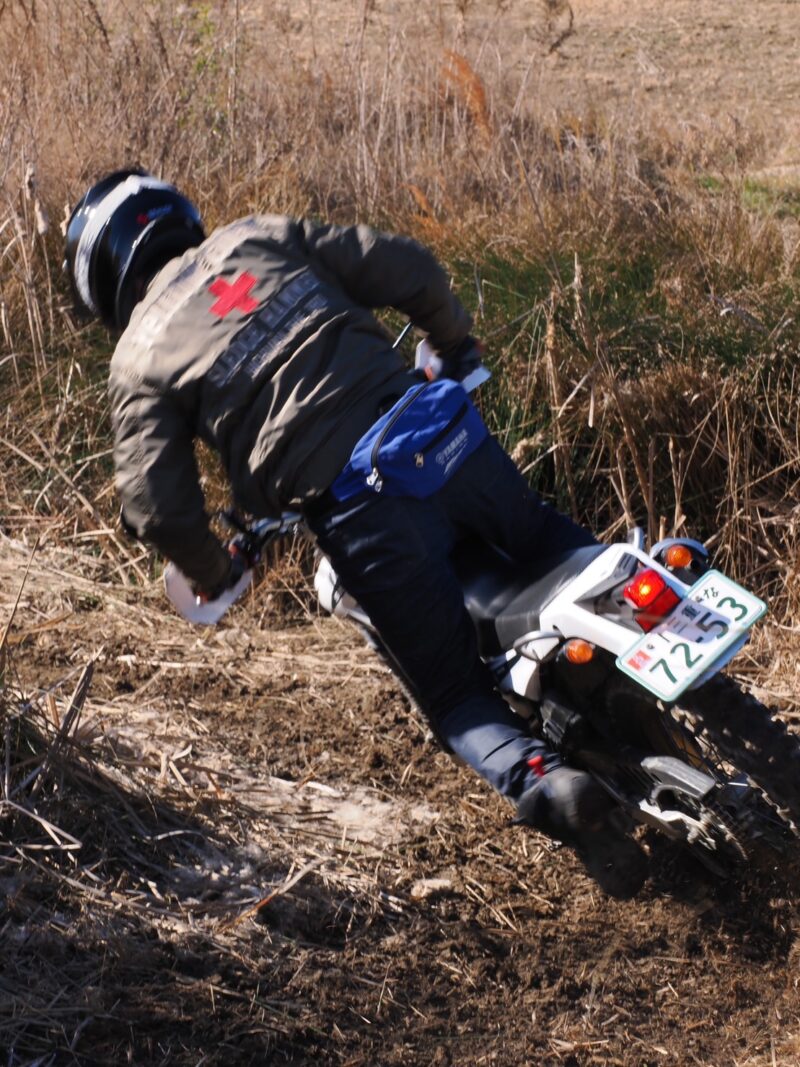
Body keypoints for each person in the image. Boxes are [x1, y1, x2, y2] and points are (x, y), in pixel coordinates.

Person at [64, 168, 646, 897]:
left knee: (458, 697)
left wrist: (215, 569)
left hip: (358, 504)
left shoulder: (140, 356)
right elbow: (411, 268)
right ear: (174, 214)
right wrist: (455, 345)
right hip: (441, 432)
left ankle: (546, 777)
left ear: (107, 279)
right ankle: (659, 628)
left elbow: (159, 508)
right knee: (557, 548)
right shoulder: (258, 236)